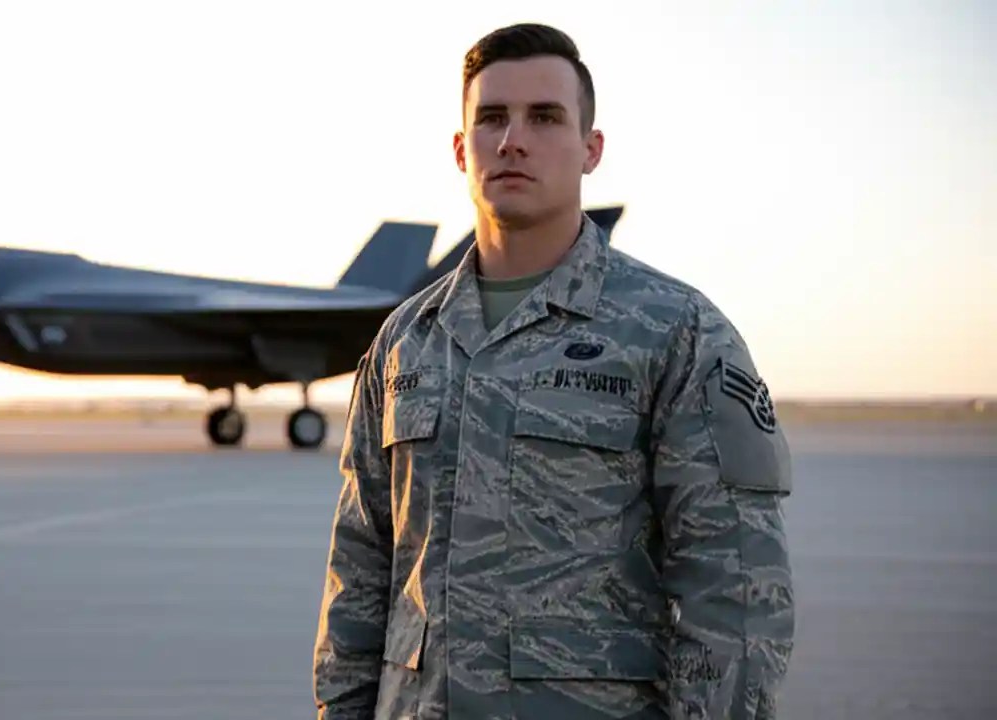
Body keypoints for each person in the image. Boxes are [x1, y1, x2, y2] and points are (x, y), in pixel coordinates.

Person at [312, 21, 795, 720]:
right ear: (461, 149)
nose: (513, 139)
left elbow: (737, 589)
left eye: (544, 117)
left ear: (590, 149)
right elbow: (360, 572)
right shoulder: (405, 344)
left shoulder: (675, 332)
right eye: (491, 119)